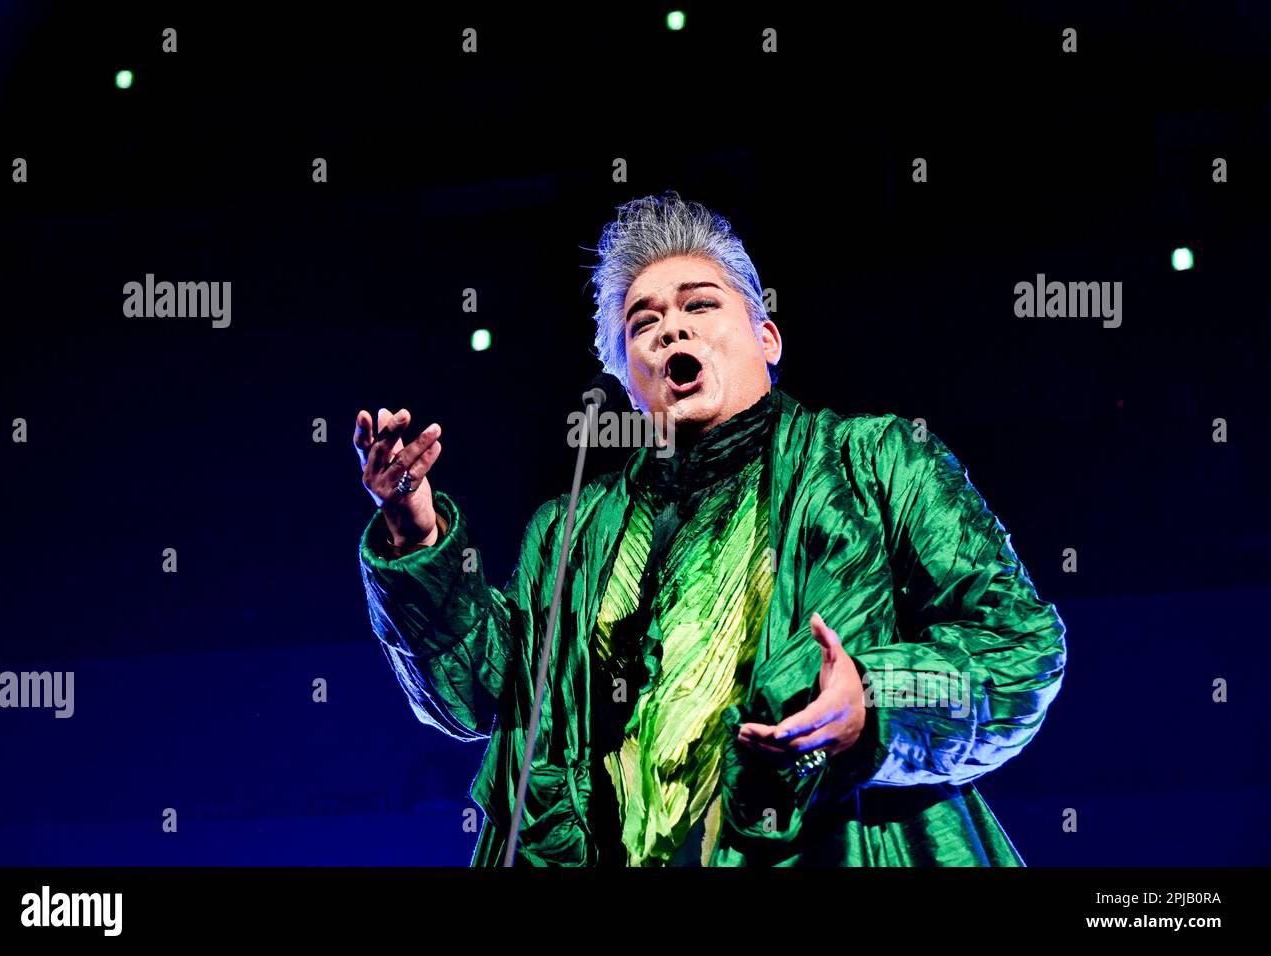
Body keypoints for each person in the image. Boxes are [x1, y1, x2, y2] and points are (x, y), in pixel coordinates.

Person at [352, 192, 1067, 866]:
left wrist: (876, 703)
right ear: (630, 379)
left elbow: (1018, 649)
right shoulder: (568, 531)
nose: (672, 327)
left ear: (766, 335)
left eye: (700, 304)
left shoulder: (875, 462)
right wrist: (415, 534)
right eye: (643, 322)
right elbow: (475, 699)